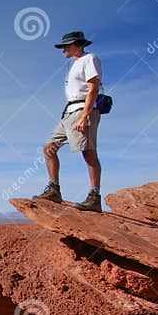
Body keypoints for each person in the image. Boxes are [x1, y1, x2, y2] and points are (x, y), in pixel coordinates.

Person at [34, 31, 103, 212]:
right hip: (70, 112)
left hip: (82, 110)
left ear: (77, 45)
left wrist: (85, 115)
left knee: (88, 153)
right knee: (49, 148)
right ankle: (54, 189)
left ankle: (94, 197)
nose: (63, 49)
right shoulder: (74, 64)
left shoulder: (90, 59)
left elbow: (93, 88)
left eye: (66, 45)